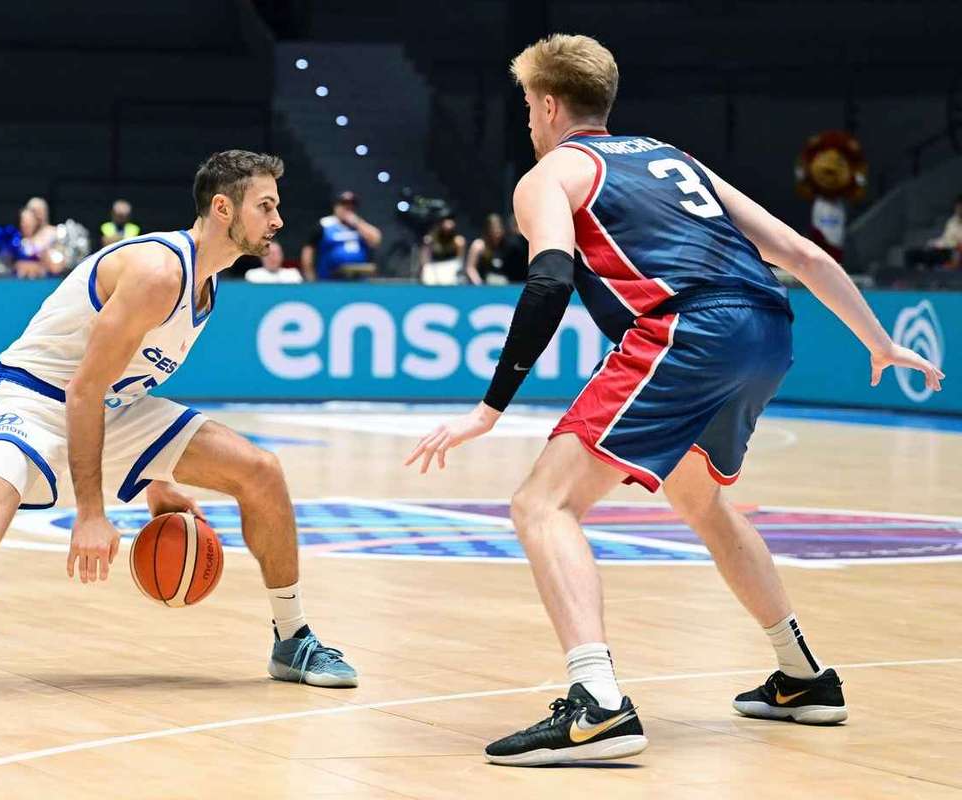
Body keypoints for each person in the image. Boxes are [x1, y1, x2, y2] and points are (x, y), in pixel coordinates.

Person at [405, 33, 944, 766]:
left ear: (551, 104)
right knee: (700, 499)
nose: (529, 119)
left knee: (542, 504)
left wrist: (489, 408)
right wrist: (876, 341)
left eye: (529, 104)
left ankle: (595, 703)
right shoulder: (672, 156)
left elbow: (549, 281)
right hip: (766, 328)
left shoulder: (552, 173)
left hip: (685, 329)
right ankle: (802, 675)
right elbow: (804, 256)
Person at [0, 149, 358, 692]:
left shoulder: (205, 285)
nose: (279, 219)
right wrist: (90, 513)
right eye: (267, 205)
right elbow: (84, 387)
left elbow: (123, 381)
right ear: (223, 208)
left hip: (110, 406)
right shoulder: (159, 272)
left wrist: (158, 480)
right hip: (33, 399)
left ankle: (293, 639)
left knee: (260, 471)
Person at [301, 191, 382, 281]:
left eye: (352, 204)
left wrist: (357, 223)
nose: (348, 207)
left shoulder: (360, 225)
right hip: (329, 279)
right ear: (336, 206)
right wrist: (310, 276)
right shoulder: (324, 225)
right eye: (344, 204)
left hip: (358, 279)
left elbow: (376, 240)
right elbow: (308, 251)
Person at [420, 215, 466, 285]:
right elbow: (425, 257)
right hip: (434, 266)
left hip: (450, 266)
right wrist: (424, 268)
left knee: (450, 281)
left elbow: (459, 260)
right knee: (428, 280)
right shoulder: (430, 239)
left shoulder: (458, 241)